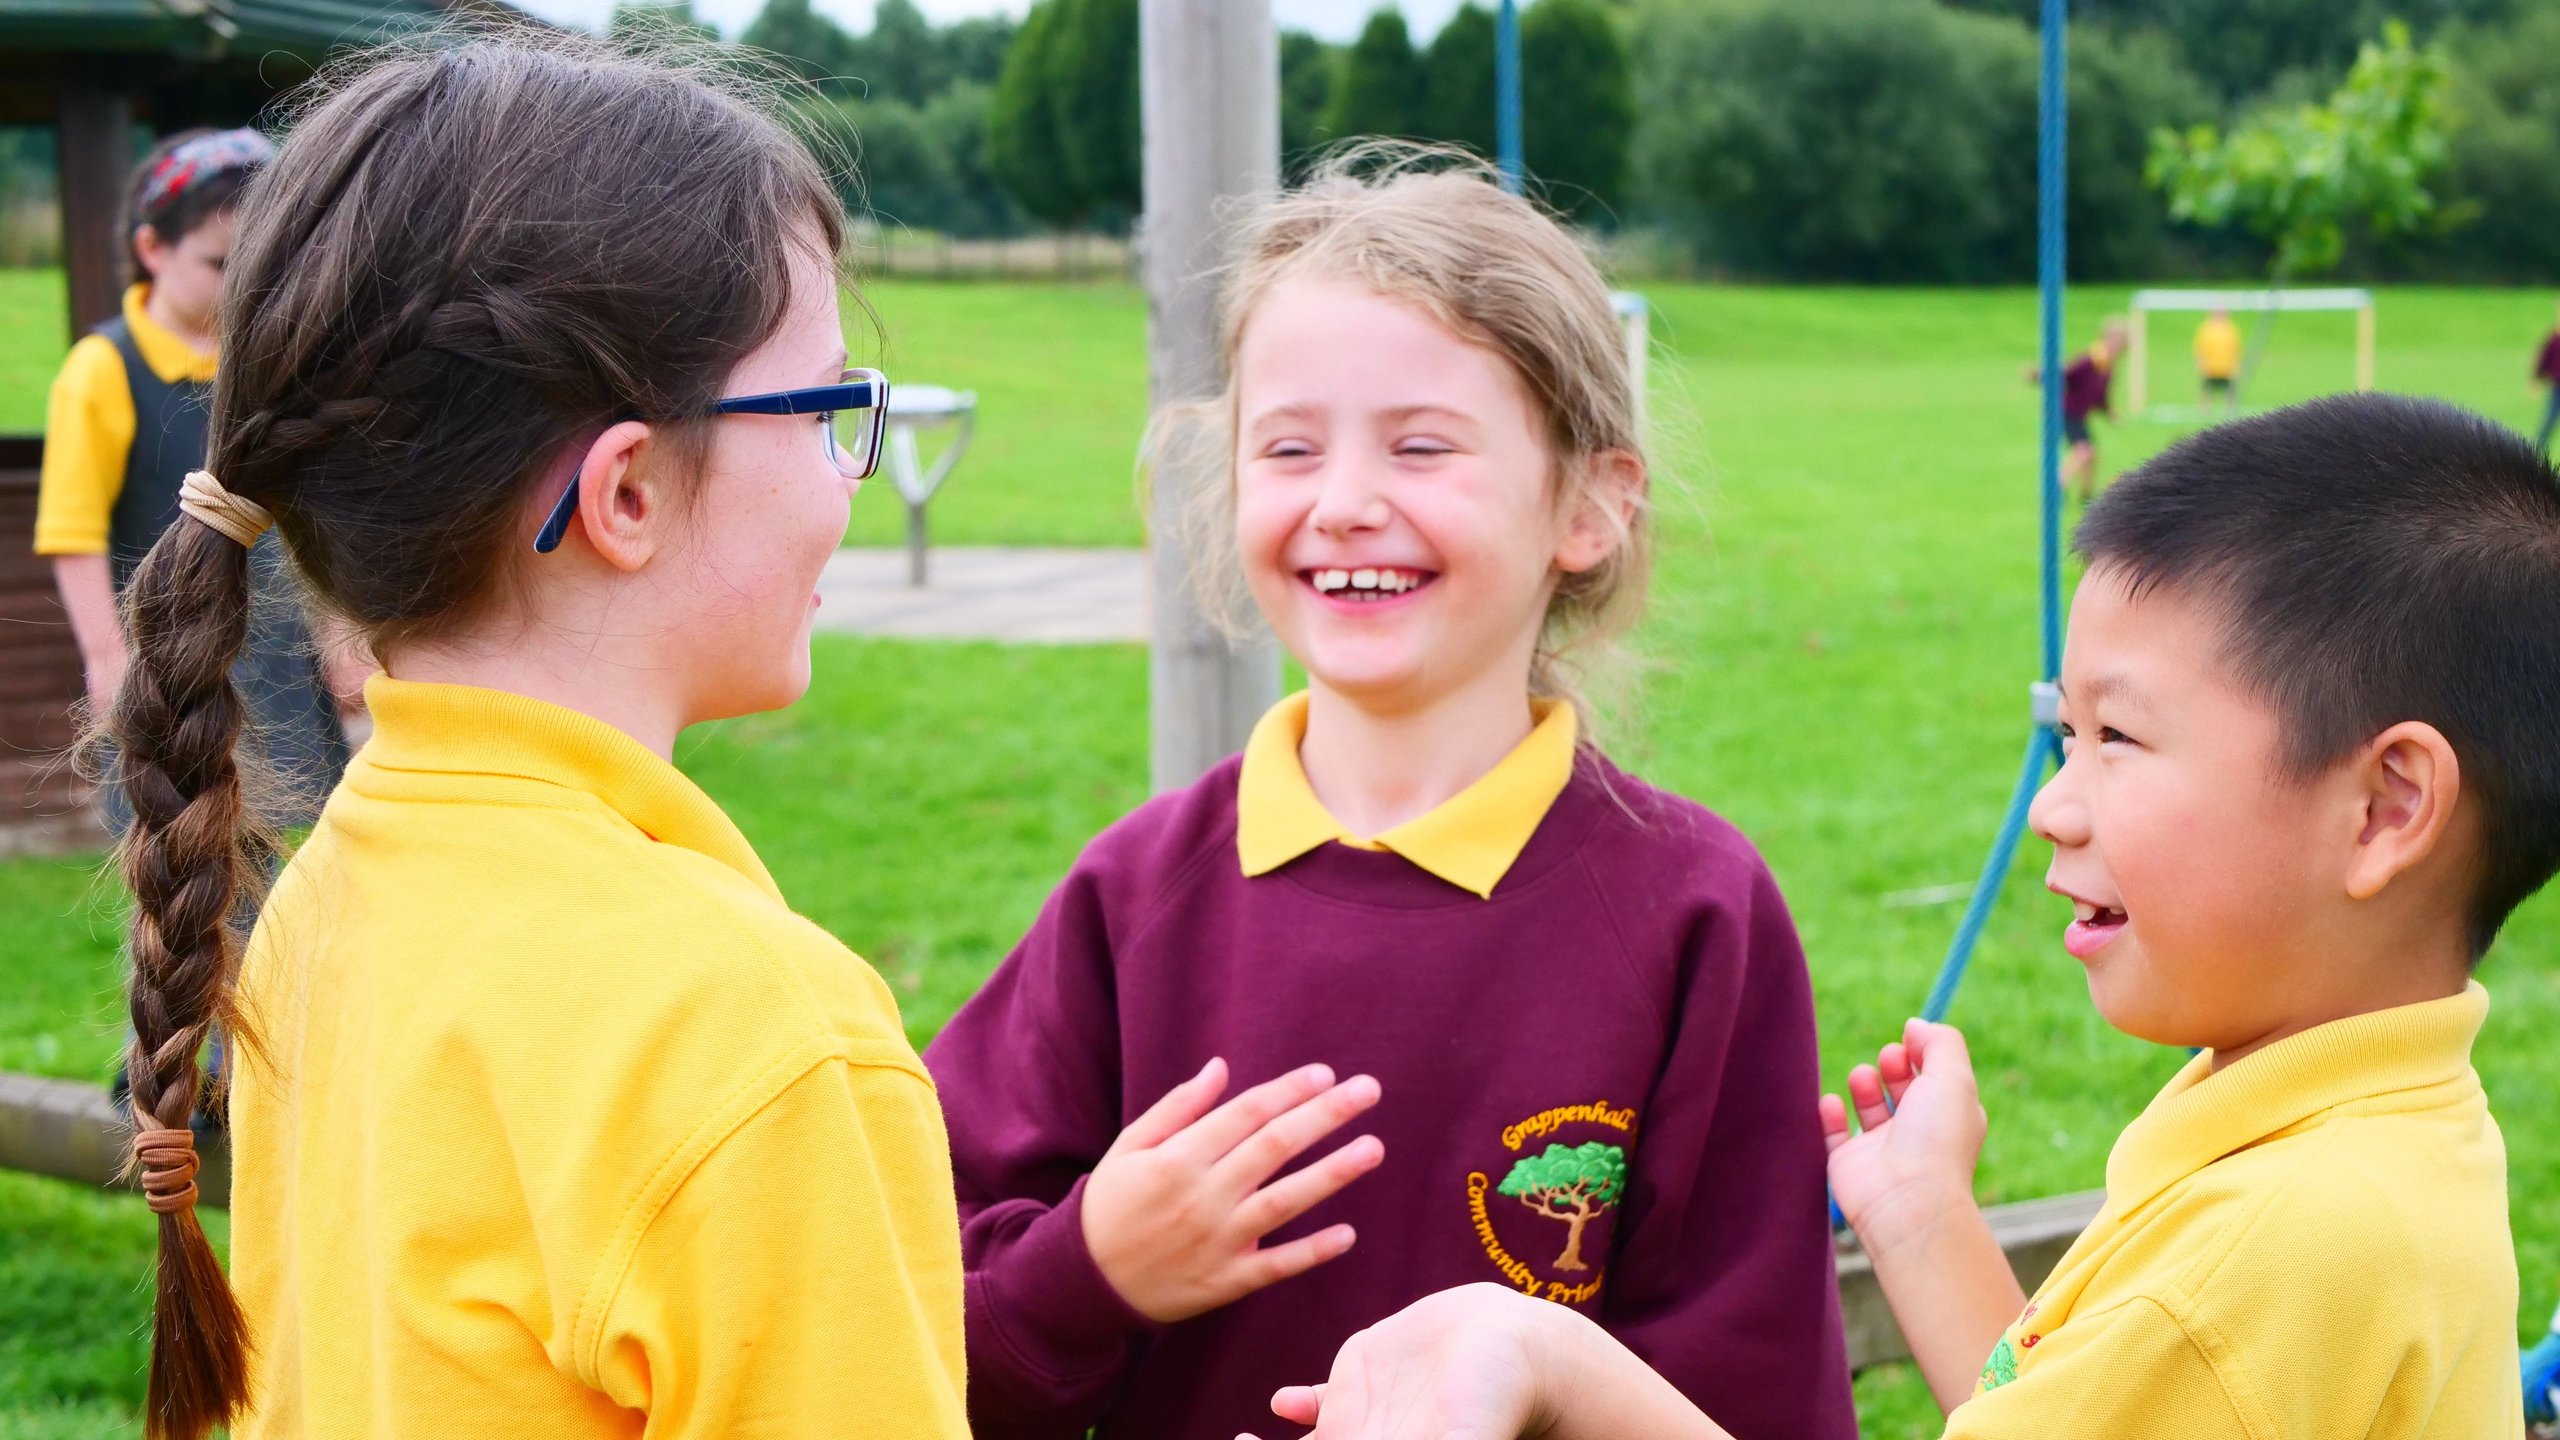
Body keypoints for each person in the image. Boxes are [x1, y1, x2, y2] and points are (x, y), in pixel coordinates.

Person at [1258, 393, 2557, 1440]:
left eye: (2118, 737)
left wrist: (1540, 1358)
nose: (2055, 808)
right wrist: (1927, 1222)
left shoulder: (2262, 1264)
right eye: (2066, 736)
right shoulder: (2381, 1139)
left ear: (2387, 807)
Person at [105, 39, 964, 1440]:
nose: (843, 478)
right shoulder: (759, 1042)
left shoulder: (330, 891)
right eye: (825, 410)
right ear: (624, 493)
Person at [923, 152, 1854, 1440]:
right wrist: (1089, 1278)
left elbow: (1748, 1403)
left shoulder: (1696, 915)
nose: (1346, 504)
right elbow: (890, 1338)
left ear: (1588, 506)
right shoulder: (1134, 898)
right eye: (1289, 447)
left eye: (1421, 447)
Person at [33, 127, 350, 833]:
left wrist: (338, 634)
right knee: (196, 881)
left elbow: (314, 510)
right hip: (172, 675)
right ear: (152, 250)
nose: (242, 284)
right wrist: (107, 661)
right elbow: (72, 534)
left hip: (278, 667)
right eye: (219, 263)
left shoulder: (279, 359)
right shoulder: (103, 369)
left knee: (292, 875)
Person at [2027, 318, 2126, 505]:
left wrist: (2109, 412)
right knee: (2083, 452)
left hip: (2079, 415)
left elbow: (2099, 396)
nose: (2116, 347)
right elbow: (2064, 373)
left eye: (2120, 344)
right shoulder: (2089, 360)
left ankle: (2086, 495)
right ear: (2104, 338)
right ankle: (2056, 486)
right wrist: (2038, 375)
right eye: (2114, 341)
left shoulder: (2108, 367)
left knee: (2092, 455)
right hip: (2065, 412)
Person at [2193, 307, 2240, 415]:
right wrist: (2201, 363)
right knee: (2207, 389)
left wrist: (2236, 364)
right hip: (2211, 366)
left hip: (2226, 366)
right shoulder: (2206, 328)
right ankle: (2205, 410)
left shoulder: (2230, 328)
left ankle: (2230, 410)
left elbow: (2235, 348)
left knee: (2230, 390)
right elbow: (2200, 348)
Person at [2530, 299, 2560, 454]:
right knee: (2549, 421)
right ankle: (2536, 451)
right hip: (2557, 388)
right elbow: (2543, 359)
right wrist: (2536, 380)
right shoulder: (2554, 337)